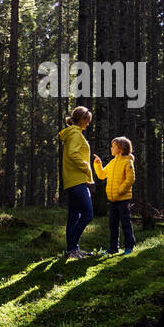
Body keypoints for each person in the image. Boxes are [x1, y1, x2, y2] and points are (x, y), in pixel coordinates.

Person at [58, 106, 95, 259]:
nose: (88, 123)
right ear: (81, 120)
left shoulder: (74, 133)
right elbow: (73, 154)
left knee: (74, 215)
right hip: (77, 180)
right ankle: (72, 248)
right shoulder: (75, 134)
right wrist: (86, 168)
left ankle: (72, 249)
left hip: (74, 180)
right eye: (87, 120)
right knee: (88, 214)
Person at [93, 136, 136, 253]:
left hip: (123, 199)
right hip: (112, 200)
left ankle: (129, 246)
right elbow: (102, 175)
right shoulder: (112, 162)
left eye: (113, 146)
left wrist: (121, 190)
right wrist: (98, 164)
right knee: (113, 224)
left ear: (121, 149)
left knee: (126, 222)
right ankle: (113, 248)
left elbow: (130, 179)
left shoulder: (128, 162)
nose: (111, 148)